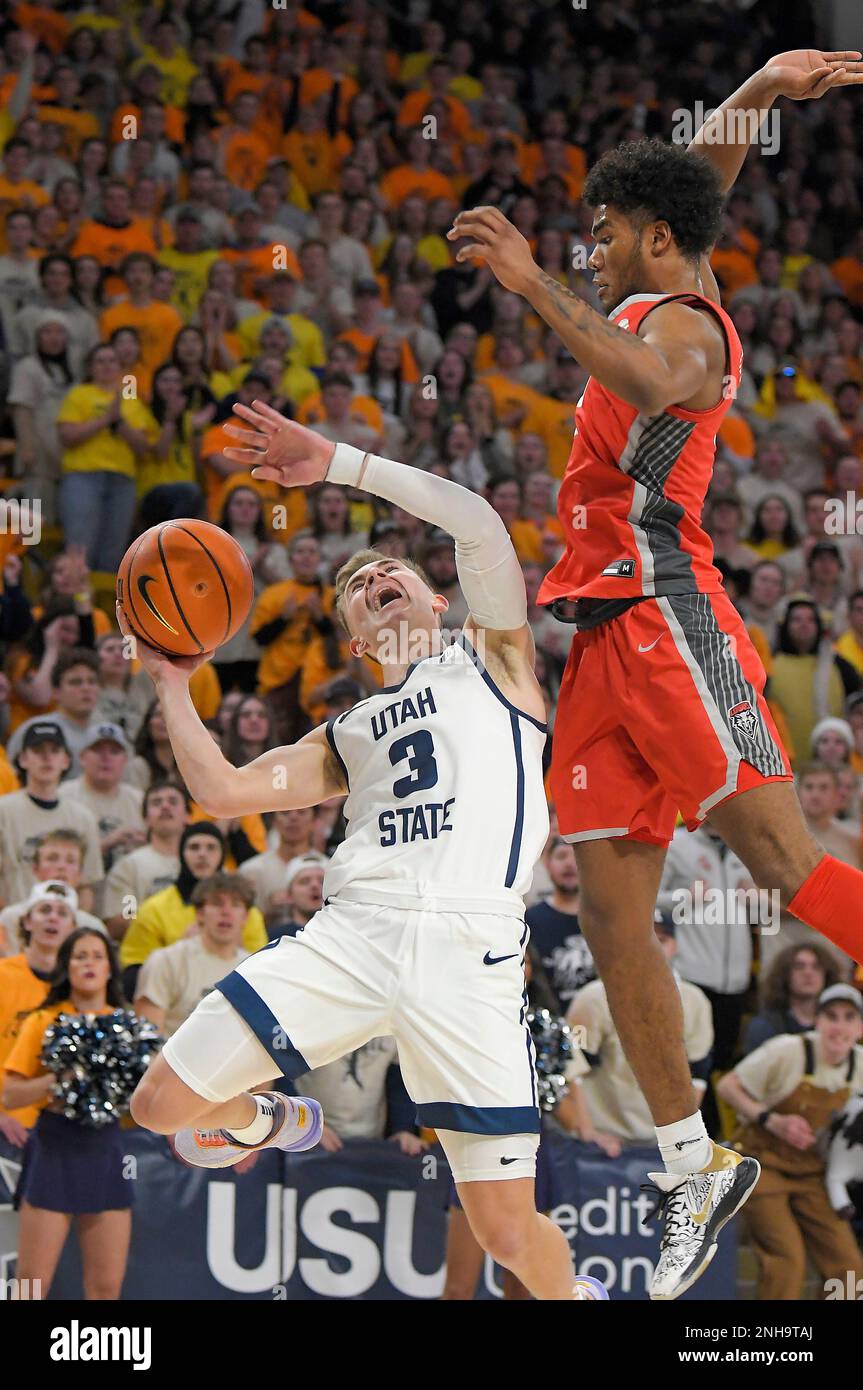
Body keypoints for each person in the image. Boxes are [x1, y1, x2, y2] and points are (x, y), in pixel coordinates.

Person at [447, 48, 863, 1298]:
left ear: (646, 241)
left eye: (599, 230)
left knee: (782, 867)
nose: (587, 242)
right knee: (611, 919)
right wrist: (762, 84)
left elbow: (647, 382)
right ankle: (690, 1161)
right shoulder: (661, 270)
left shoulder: (681, 327)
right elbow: (702, 181)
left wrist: (523, 280)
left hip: (673, 619)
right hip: (598, 646)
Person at [124, 399, 611, 1304]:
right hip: (354, 935)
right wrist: (172, 682)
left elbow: (475, 520)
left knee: (505, 1228)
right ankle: (277, 1117)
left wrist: (339, 462)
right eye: (359, 583)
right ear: (355, 637)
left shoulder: (496, 661)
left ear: (437, 600)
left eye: (395, 570)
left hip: (472, 951)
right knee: (160, 1110)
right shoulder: (343, 732)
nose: (379, 575)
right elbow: (221, 792)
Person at [2, 929, 135, 1301]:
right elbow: (11, 1095)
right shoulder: (43, 1020)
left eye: (97, 955)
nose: (89, 963)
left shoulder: (127, 1026)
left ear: (110, 968)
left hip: (105, 1148)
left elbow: (141, 1098)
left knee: (106, 1287)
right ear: (66, 968)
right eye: (79, 956)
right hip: (54, 1147)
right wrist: (61, 1078)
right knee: (30, 1283)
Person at [717, 984, 863, 1301]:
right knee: (787, 1261)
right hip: (760, 1164)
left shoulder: (860, 1065)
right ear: (818, 1021)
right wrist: (771, 1119)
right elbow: (728, 1086)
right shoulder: (787, 1050)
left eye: (849, 1017)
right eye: (832, 1016)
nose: (840, 1026)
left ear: (860, 1027)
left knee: (849, 1268)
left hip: (813, 1173)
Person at [118, 822, 266, 998]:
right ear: (181, 854)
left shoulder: (247, 913)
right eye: (194, 847)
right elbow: (132, 976)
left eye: (211, 848)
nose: (202, 854)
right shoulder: (153, 908)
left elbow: (262, 974)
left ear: (222, 856)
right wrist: (184, 953)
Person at [0, 882, 78, 1146]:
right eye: (45, 910)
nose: (53, 917)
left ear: (72, 930)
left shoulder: (78, 990)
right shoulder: (3, 975)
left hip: (55, 1125)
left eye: (62, 912)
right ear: (27, 922)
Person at [134, 874, 253, 1038]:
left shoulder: (254, 968)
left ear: (246, 917)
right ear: (200, 913)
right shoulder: (166, 961)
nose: (226, 912)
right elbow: (148, 1038)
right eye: (217, 904)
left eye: (236, 905)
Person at [0, 721, 103, 911]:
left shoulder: (83, 817)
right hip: (12, 922)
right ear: (22, 759)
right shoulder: (3, 811)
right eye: (38, 750)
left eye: (55, 750)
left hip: (65, 924)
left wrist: (74, 924)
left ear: (65, 760)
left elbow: (87, 885)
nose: (47, 757)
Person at [100, 781, 188, 941]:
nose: (165, 807)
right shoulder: (129, 867)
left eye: (173, 801)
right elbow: (126, 918)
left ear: (187, 815)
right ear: (146, 819)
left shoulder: (205, 861)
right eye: (156, 802)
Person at [524, 836, 595, 1012]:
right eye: (561, 856)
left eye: (577, 857)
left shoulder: (603, 918)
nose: (570, 863)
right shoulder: (530, 920)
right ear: (547, 863)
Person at [743, 944, 841, 1054]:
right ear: (785, 975)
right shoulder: (764, 1026)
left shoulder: (839, 1024)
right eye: (799, 967)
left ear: (826, 975)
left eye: (816, 967)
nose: (808, 973)